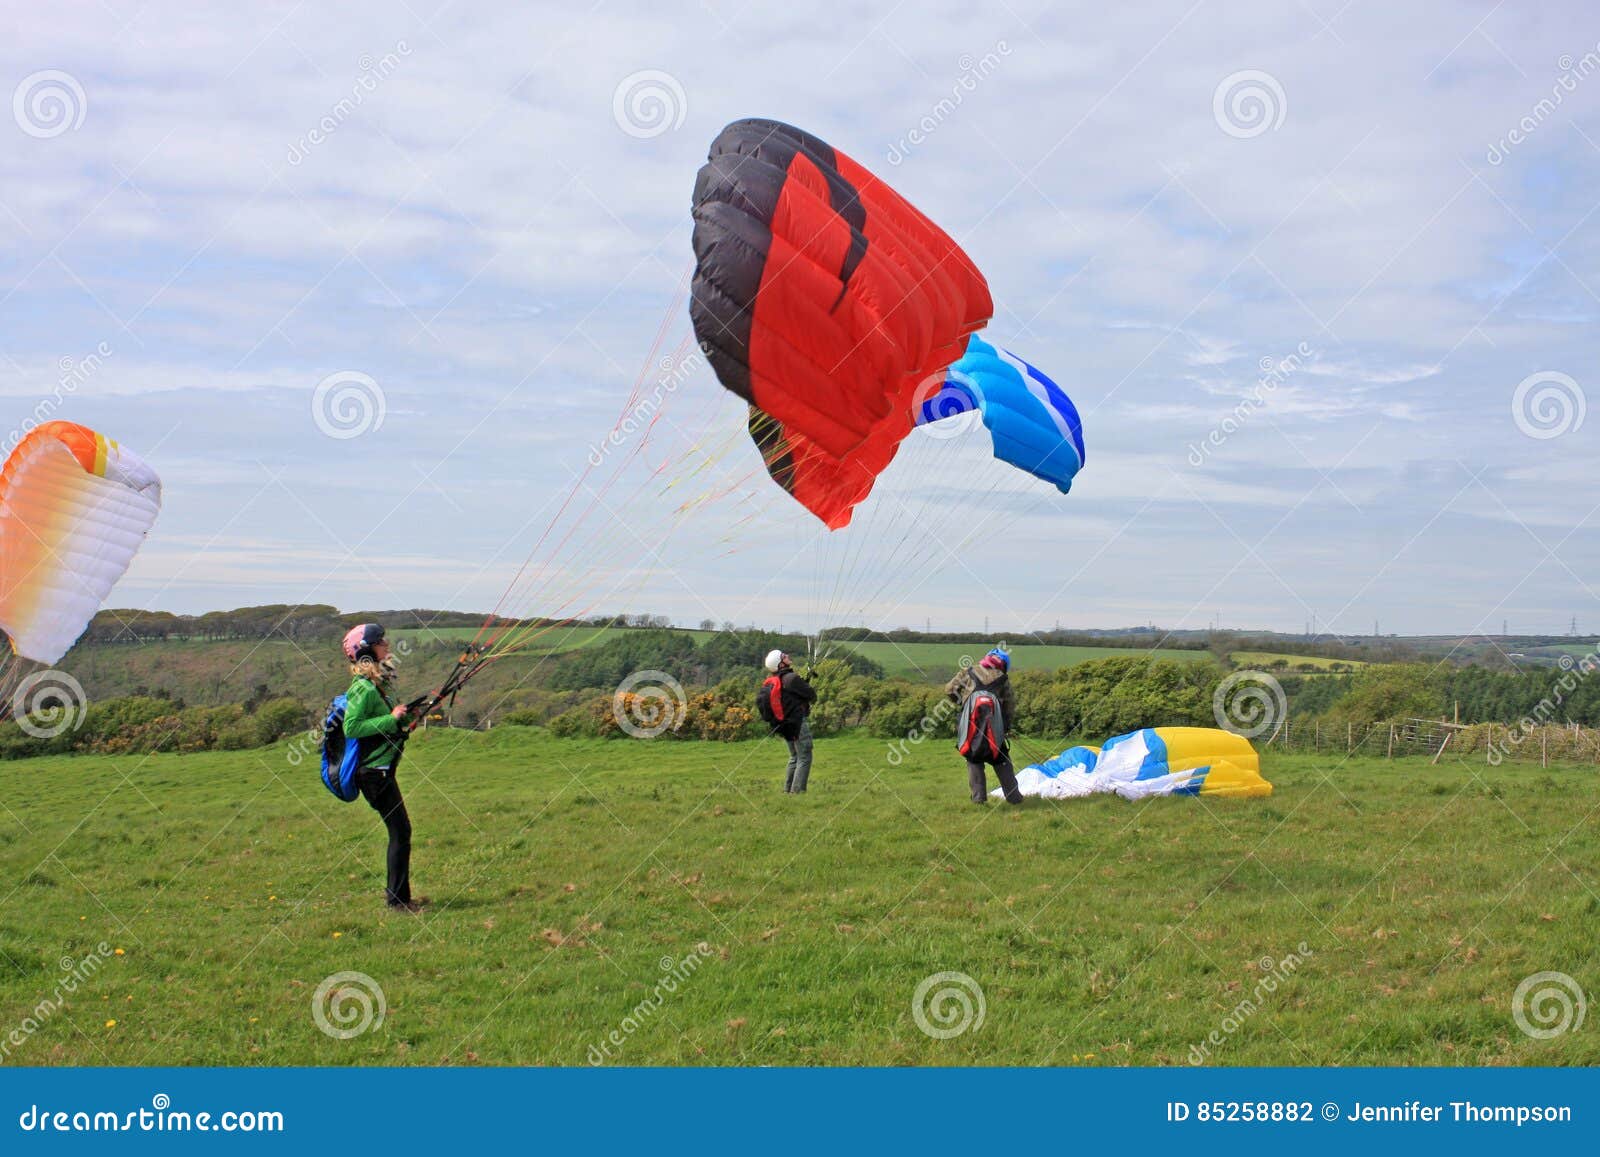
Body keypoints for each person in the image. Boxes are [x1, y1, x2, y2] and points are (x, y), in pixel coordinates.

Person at [340, 623, 424, 912]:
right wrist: (391, 719)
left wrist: (405, 716)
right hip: (373, 774)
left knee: (401, 831)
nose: (387, 645)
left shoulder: (378, 684)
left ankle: (399, 898)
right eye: (381, 642)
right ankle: (398, 902)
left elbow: (389, 722)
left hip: (382, 770)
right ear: (366, 651)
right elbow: (352, 727)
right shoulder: (361, 688)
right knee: (401, 832)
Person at [945, 648, 1023, 805]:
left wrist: (962, 702)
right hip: (995, 729)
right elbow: (1009, 707)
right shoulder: (1003, 678)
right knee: (1001, 758)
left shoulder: (968, 671)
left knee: (973, 758)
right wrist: (1006, 727)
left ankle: (979, 799)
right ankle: (1014, 798)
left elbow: (949, 689)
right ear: (1003, 665)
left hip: (970, 728)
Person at [760, 649, 817, 793]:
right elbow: (811, 694)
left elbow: (792, 695)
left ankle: (787, 791)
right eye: (784, 656)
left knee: (795, 756)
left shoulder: (778, 680)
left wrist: (804, 681)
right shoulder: (791, 678)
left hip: (785, 724)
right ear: (780, 664)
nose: (787, 656)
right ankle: (797, 792)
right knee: (805, 755)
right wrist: (807, 686)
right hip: (797, 723)